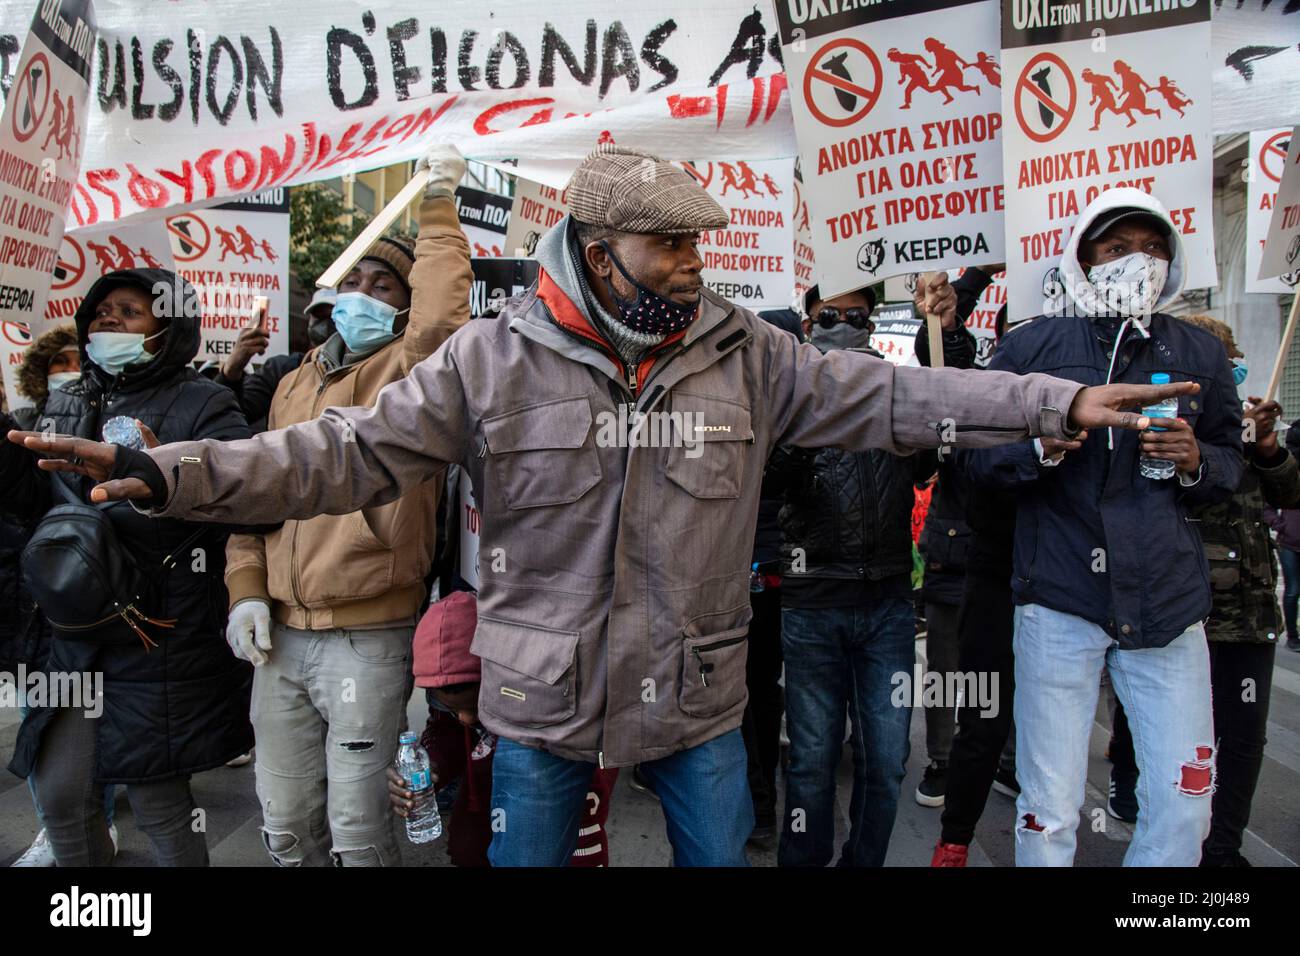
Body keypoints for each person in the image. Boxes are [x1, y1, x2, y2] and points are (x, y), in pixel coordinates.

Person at [11, 144, 1193, 868]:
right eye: (667, 242)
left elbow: (901, 397)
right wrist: (173, 471)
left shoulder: (747, 353)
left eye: (696, 242)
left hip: (698, 703)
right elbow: (338, 456)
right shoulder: (487, 359)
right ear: (593, 245)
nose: (692, 261)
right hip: (539, 705)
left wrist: (1057, 400)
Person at [965, 188, 1244, 866]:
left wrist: (1197, 461)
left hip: (1167, 604)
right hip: (1060, 598)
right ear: (1082, 258)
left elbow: (1234, 467)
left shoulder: (1199, 355)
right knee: (1048, 808)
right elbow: (972, 457)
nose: (1136, 263)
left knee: (1186, 799)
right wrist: (1041, 448)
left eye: (1152, 249)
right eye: (1117, 249)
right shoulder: (1030, 346)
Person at [215, 145, 470, 867]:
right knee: (287, 825)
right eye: (353, 277)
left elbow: (444, 314)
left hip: (367, 637)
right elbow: (255, 498)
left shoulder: (410, 375)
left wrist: (439, 202)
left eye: (383, 282)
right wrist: (245, 593)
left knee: (359, 834)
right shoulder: (296, 381)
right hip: (278, 641)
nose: (362, 291)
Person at [1, 268, 253, 867]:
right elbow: (28, 499)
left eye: (129, 311)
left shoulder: (206, 403)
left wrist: (154, 479)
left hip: (153, 636)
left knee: (159, 802)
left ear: (168, 329)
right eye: (101, 311)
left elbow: (238, 502)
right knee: (61, 796)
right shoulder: (65, 398)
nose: (107, 320)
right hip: (68, 636)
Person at [768, 283, 937, 866]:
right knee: (811, 760)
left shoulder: (897, 390)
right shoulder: (788, 393)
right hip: (812, 604)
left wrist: (943, 334)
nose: (844, 324)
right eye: (830, 315)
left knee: (885, 762)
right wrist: (812, 412)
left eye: (857, 316)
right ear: (809, 324)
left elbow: (938, 448)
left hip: (888, 605)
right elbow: (768, 481)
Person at [1177, 315, 1300, 865]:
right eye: (1217, 360)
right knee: (1184, 740)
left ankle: (1223, 846)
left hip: (1250, 613)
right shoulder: (1171, 424)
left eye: (1233, 358)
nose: (1229, 368)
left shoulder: (1251, 428)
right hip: (1190, 613)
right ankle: (1180, 837)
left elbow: (1290, 492)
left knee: (1245, 737)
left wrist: (1266, 444)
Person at [910, 267, 994, 809]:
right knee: (943, 666)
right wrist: (973, 277)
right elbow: (946, 358)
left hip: (1008, 552)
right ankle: (941, 760)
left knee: (995, 668)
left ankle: (994, 756)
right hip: (950, 548)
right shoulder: (951, 387)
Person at [212, 287, 339, 433]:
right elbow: (232, 414)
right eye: (318, 316)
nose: (325, 325)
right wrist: (232, 370)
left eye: (332, 317)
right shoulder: (283, 369)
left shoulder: (363, 371)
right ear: (309, 320)